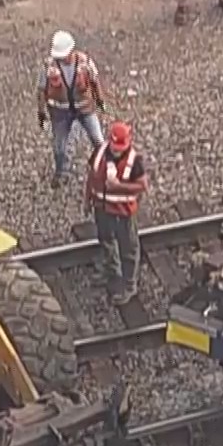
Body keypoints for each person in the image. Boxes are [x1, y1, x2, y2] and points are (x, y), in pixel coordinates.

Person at [86, 119, 149, 306]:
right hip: (102, 208)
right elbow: (91, 176)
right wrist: (87, 199)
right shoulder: (99, 153)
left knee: (128, 248)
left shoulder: (134, 161)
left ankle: (129, 285)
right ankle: (111, 270)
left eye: (120, 147)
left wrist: (119, 186)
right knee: (106, 240)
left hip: (124, 213)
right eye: (114, 146)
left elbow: (141, 186)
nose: (116, 150)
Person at [38, 31, 106, 188]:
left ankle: (100, 167)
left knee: (99, 140)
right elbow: (41, 90)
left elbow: (95, 82)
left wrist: (101, 102)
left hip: (84, 108)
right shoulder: (48, 67)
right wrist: (41, 112)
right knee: (59, 147)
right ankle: (61, 172)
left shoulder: (86, 62)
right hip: (60, 112)